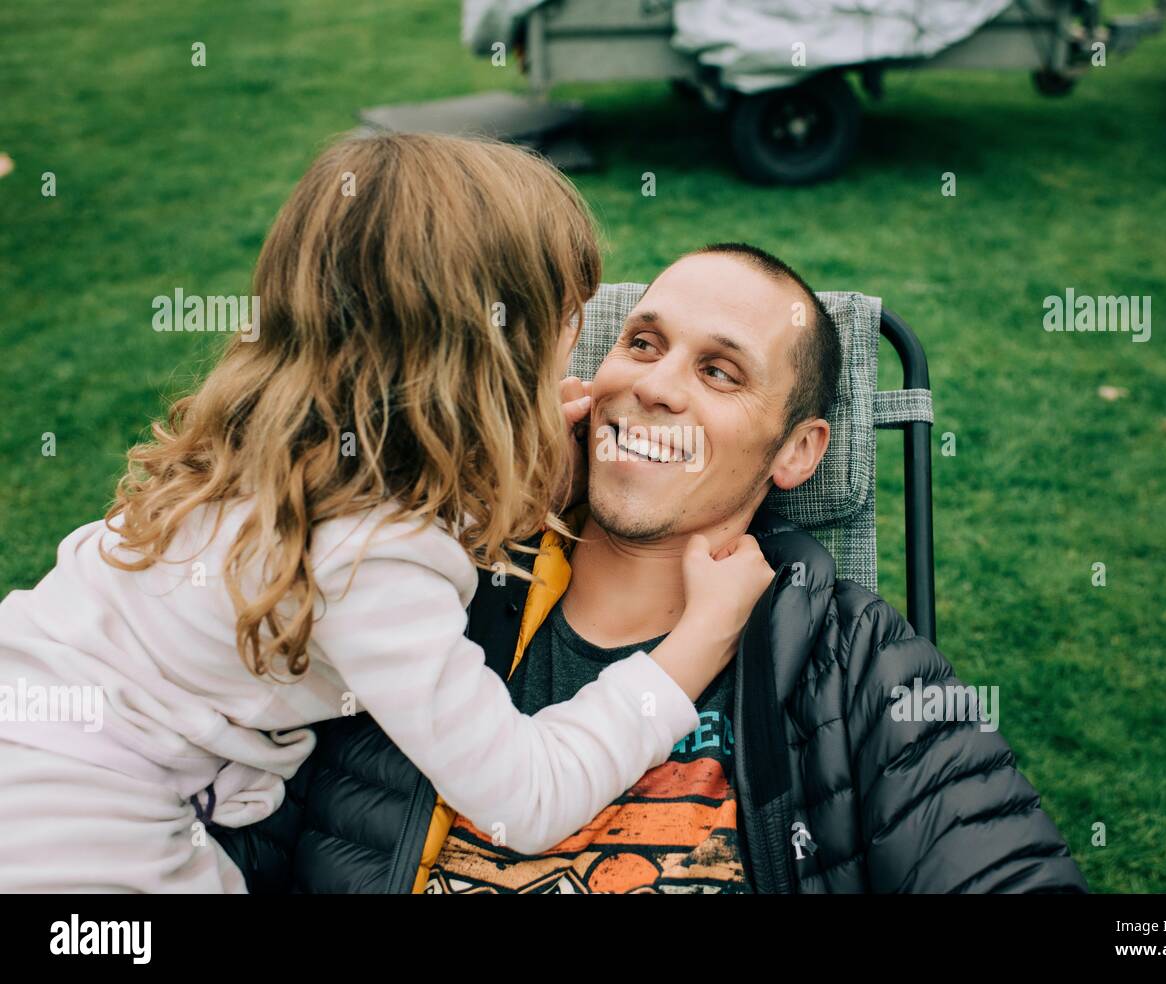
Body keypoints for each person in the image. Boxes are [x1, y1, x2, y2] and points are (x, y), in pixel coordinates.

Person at [0, 135, 773, 893]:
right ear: (492, 365)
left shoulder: (277, 451)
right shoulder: (373, 557)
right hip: (73, 833)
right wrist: (702, 636)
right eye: (565, 328)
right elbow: (527, 798)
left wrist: (511, 483)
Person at [216, 243, 1089, 893]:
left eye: (719, 371)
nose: (657, 387)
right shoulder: (417, 593)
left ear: (797, 450)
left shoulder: (853, 661)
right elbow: (215, 807)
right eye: (641, 343)